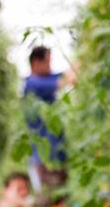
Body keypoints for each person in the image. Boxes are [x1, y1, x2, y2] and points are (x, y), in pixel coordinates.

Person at [22, 46, 73, 191]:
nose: (50, 67)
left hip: (56, 151)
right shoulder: (32, 83)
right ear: (36, 63)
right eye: (48, 62)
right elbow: (64, 81)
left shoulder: (46, 78)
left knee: (61, 197)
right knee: (50, 196)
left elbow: (67, 76)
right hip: (44, 156)